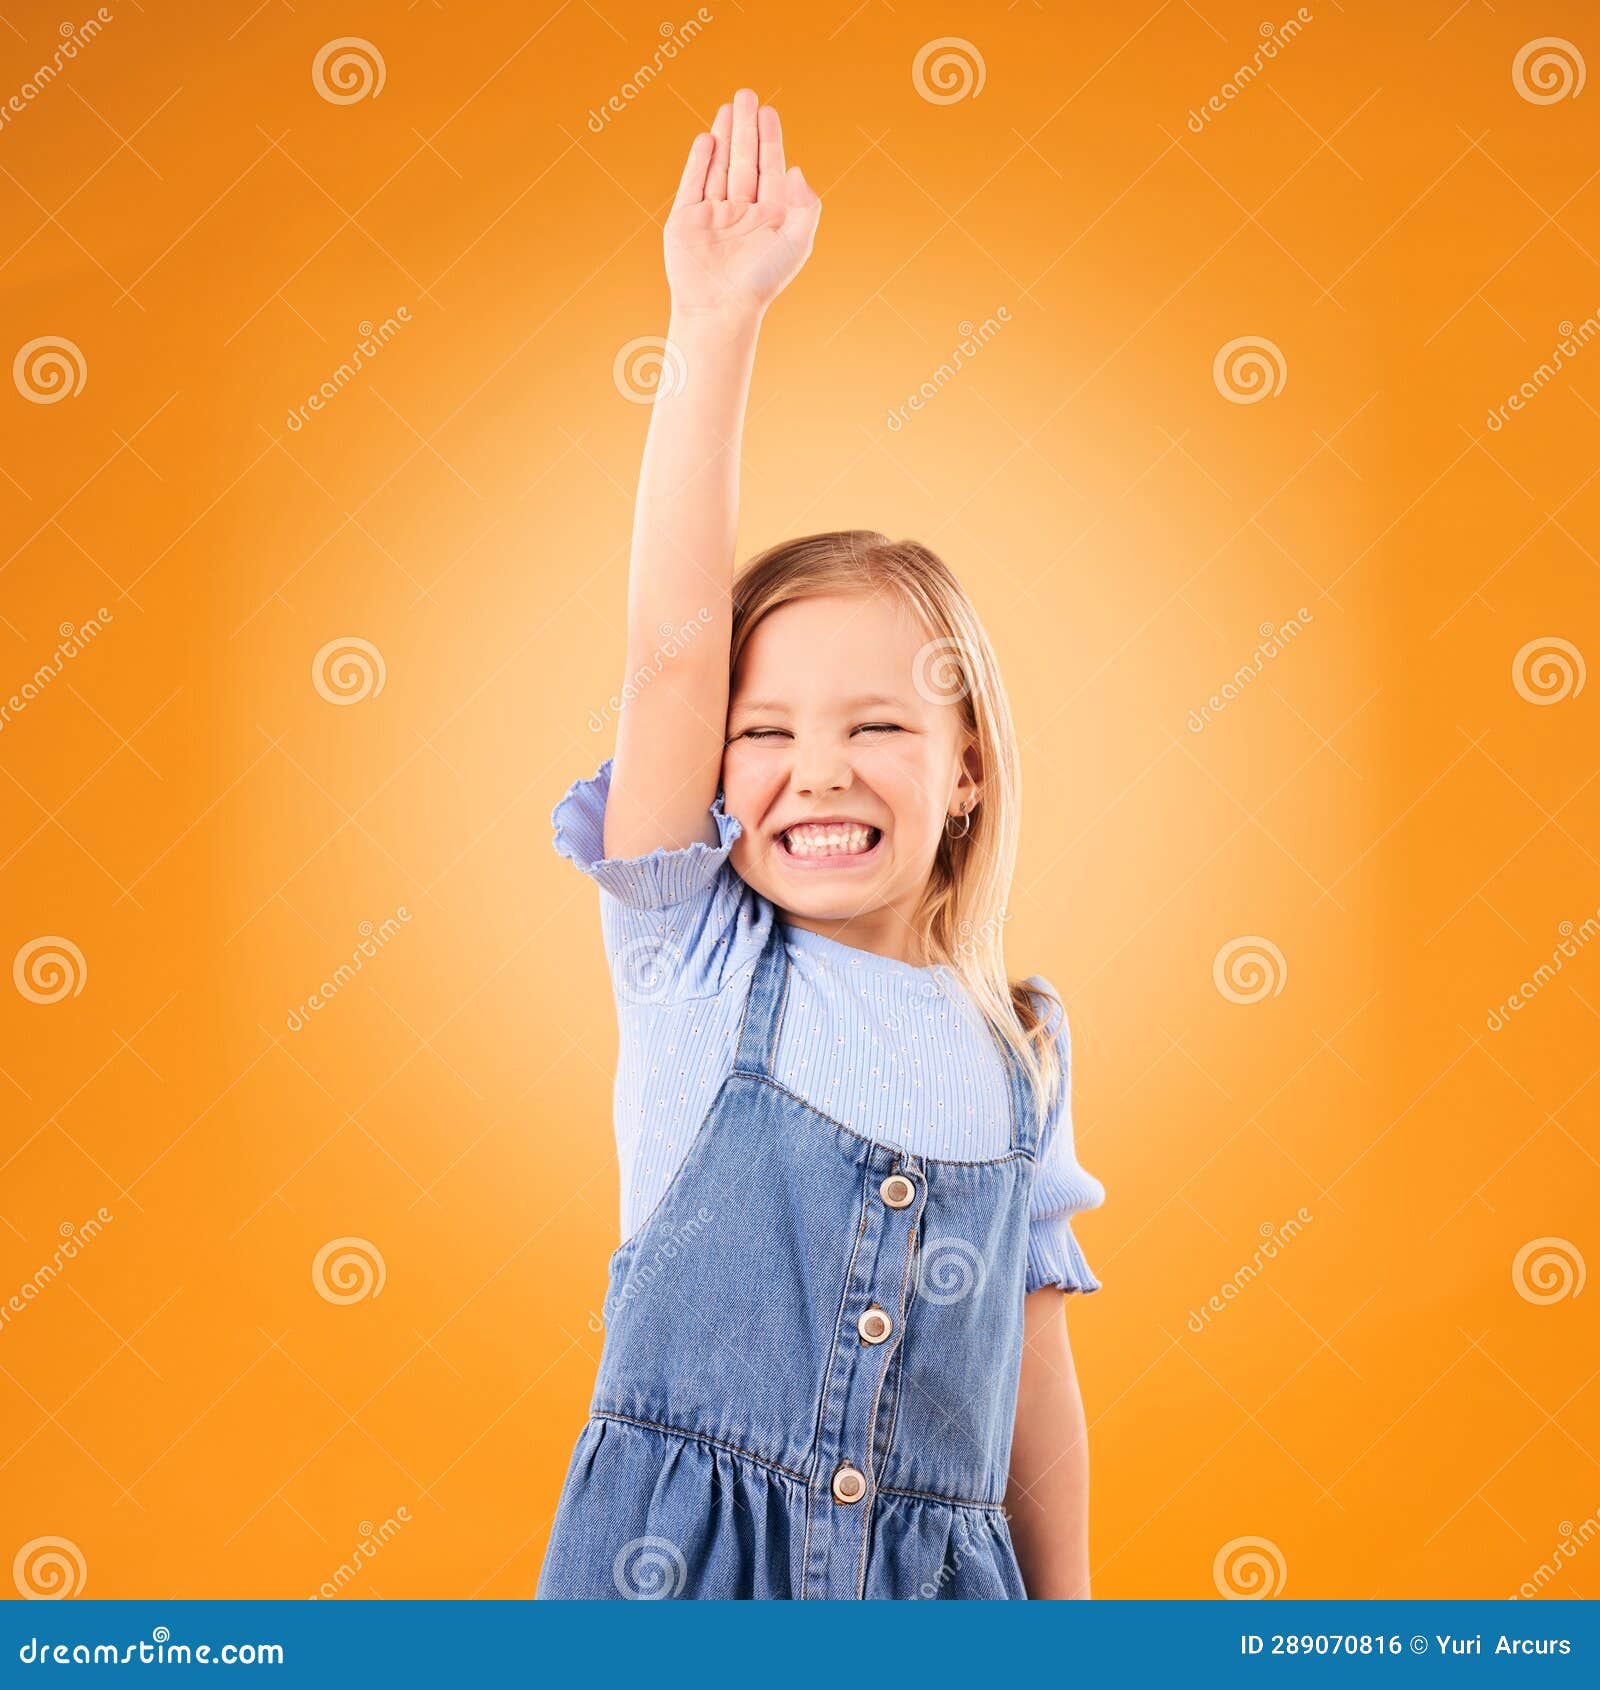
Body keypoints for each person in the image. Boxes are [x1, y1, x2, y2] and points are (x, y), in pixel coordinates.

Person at [537, 88, 1106, 1601]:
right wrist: (714, 318)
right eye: (767, 730)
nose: (819, 770)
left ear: (967, 770)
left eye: (879, 724)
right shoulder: (693, 955)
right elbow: (670, 653)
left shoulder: (1024, 1050)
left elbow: (1037, 1390)